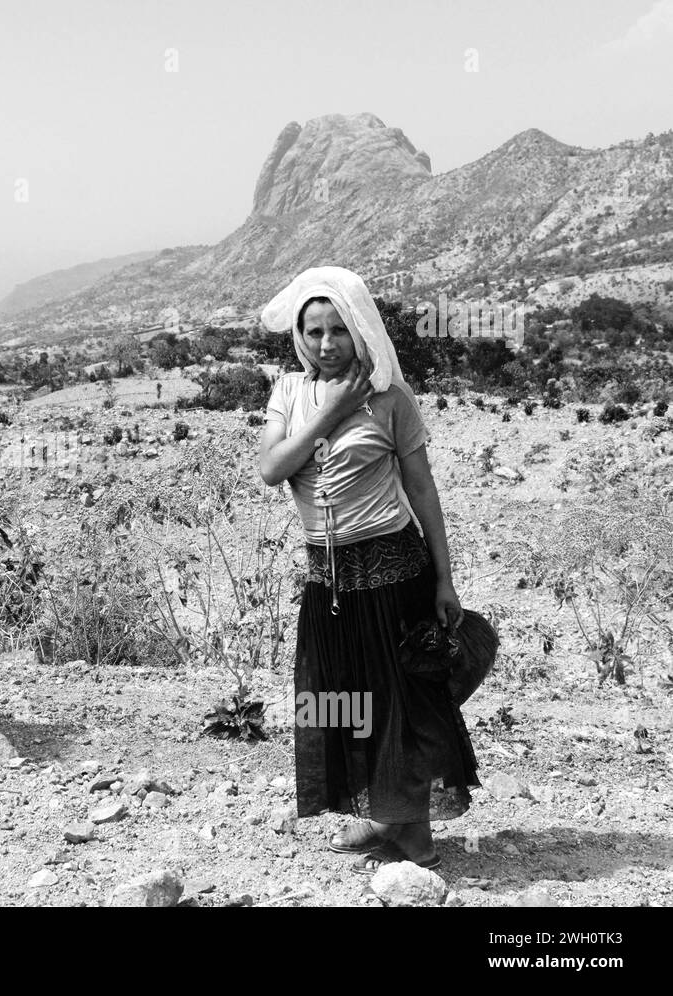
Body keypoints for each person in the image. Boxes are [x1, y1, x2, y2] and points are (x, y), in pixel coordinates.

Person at [256, 265, 478, 873]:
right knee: (339, 701)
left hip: (393, 572)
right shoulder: (288, 393)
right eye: (314, 331)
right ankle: (381, 816)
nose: (326, 344)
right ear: (299, 337)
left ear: (359, 331)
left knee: (402, 702)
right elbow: (273, 468)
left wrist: (444, 578)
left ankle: (413, 834)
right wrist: (330, 413)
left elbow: (424, 492)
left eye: (337, 330)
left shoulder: (391, 400)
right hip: (328, 580)